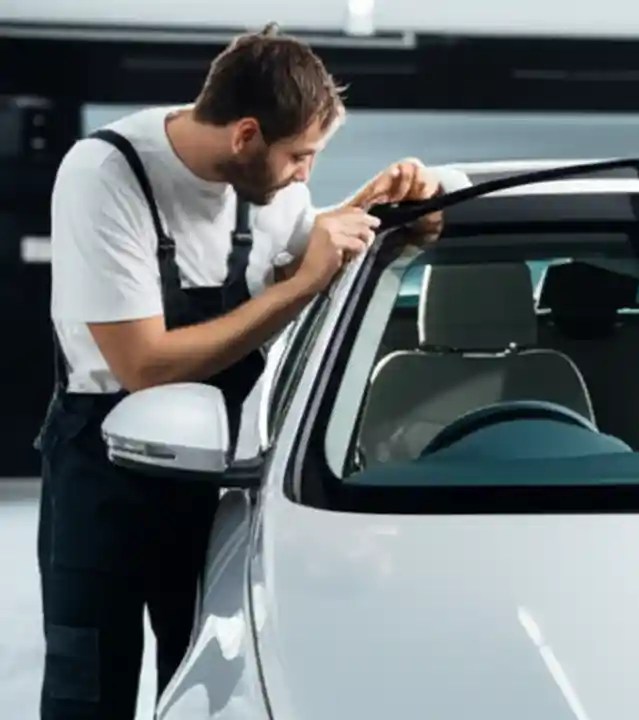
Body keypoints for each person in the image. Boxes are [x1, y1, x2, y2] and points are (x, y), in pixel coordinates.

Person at [33, 23, 442, 719]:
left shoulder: (269, 187)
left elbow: (298, 254)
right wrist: (303, 286)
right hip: (99, 473)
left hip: (219, 474)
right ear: (245, 136)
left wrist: (375, 209)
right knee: (87, 687)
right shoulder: (107, 176)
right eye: (300, 157)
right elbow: (142, 363)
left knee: (208, 680)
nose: (305, 176)